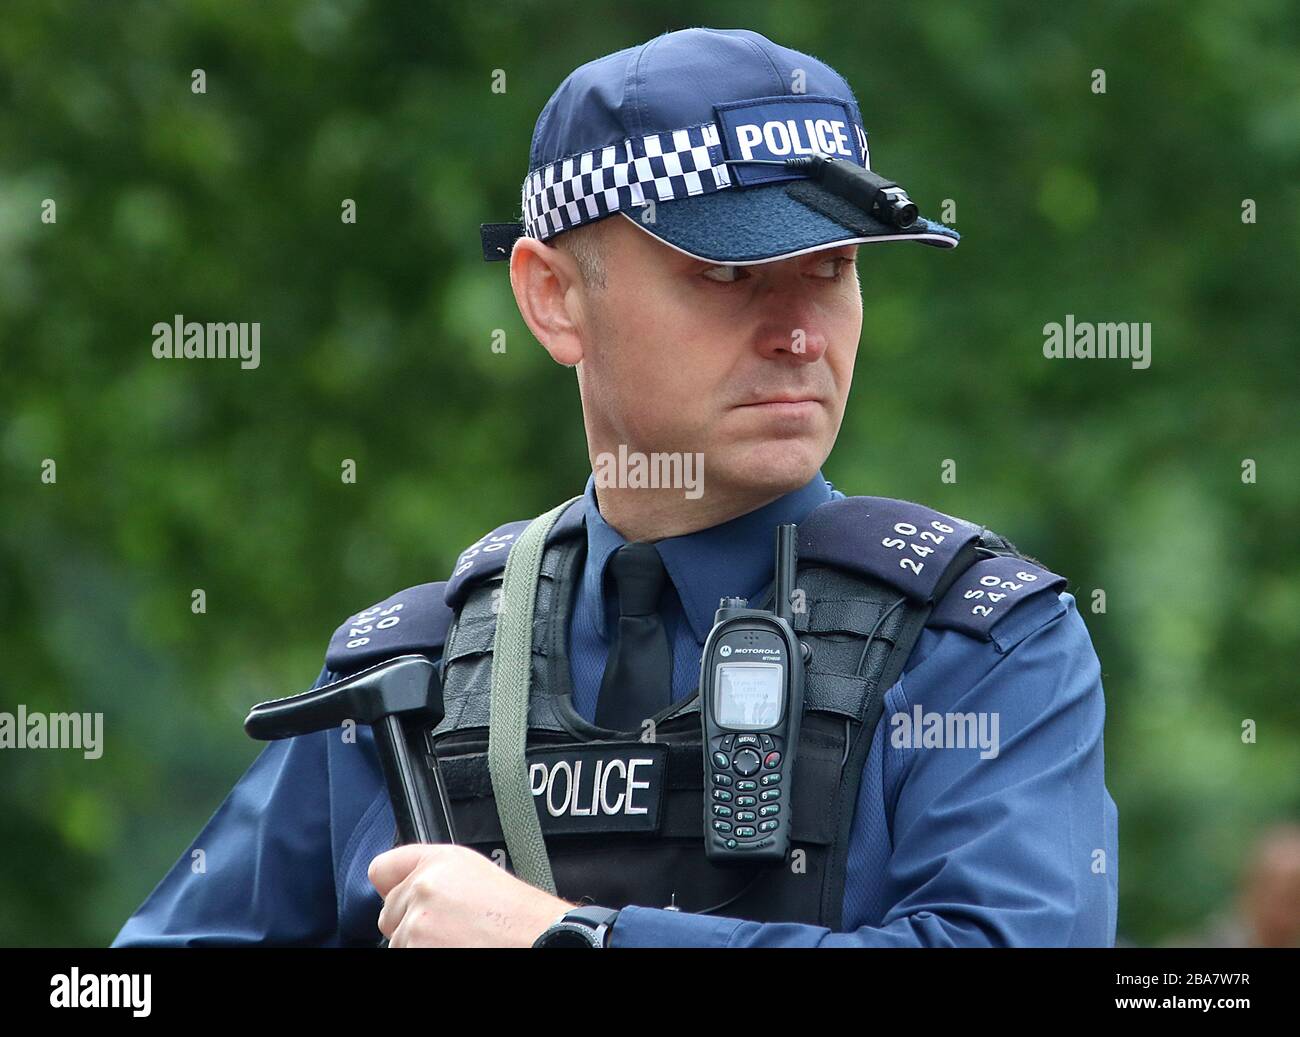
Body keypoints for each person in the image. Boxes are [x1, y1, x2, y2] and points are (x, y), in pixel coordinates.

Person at [113, 26, 1118, 948]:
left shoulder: (970, 646)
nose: (800, 332)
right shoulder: (413, 679)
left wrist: (567, 938)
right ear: (552, 298)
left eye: (834, 265)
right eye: (729, 275)